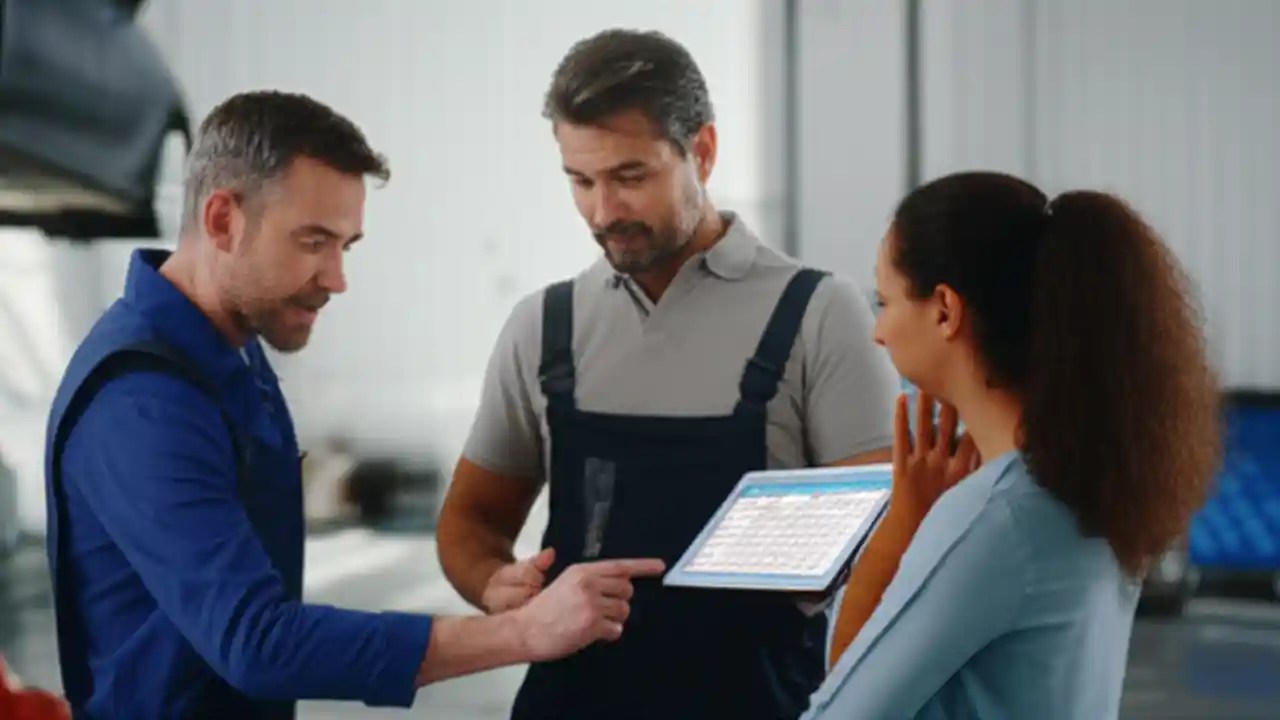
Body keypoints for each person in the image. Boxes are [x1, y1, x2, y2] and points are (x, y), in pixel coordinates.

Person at [42, 90, 664, 719]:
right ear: (223, 221)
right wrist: (524, 634)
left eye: (346, 245)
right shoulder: (143, 401)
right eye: (313, 242)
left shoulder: (228, 349)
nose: (337, 278)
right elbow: (256, 641)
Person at [435, 28, 899, 720]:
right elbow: (469, 522)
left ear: (702, 151)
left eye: (630, 177)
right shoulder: (543, 326)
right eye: (580, 181)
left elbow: (888, 537)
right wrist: (494, 586)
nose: (602, 211)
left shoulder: (817, 314)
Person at [806, 171, 1221, 719]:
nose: (877, 332)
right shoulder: (1081, 481)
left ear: (946, 310)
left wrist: (906, 519)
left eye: (884, 302)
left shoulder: (995, 517)